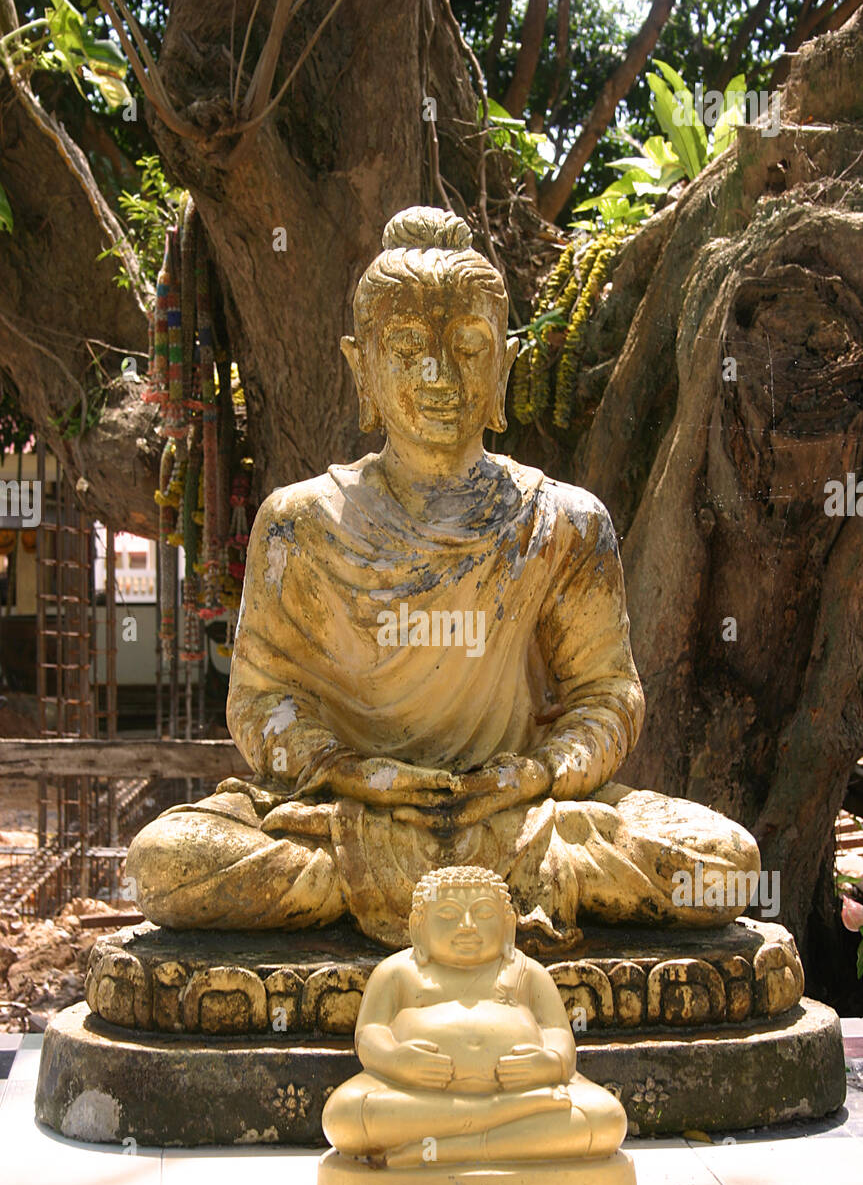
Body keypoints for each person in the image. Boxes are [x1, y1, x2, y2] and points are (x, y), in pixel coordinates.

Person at [125, 206, 760, 950]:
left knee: (722, 865)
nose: (437, 377)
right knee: (167, 864)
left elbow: (607, 694)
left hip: (519, 818)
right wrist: (353, 772)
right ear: (360, 366)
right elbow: (263, 699)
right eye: (404, 348)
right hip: (351, 819)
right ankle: (454, 898)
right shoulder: (300, 522)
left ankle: (416, 898)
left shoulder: (562, 521)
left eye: (467, 347)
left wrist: (536, 774)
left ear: (504, 365)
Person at [321, 865, 627, 1167]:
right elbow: (369, 1033)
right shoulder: (398, 972)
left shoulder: (526, 972)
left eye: (483, 914)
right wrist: (396, 1061)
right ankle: (499, 1116)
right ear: (418, 927)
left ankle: (453, 1149)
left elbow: (559, 1034)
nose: (467, 926)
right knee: (344, 1116)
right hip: (421, 1098)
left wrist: (550, 1063)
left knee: (606, 1118)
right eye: (448, 915)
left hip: (528, 1091)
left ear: (508, 927)